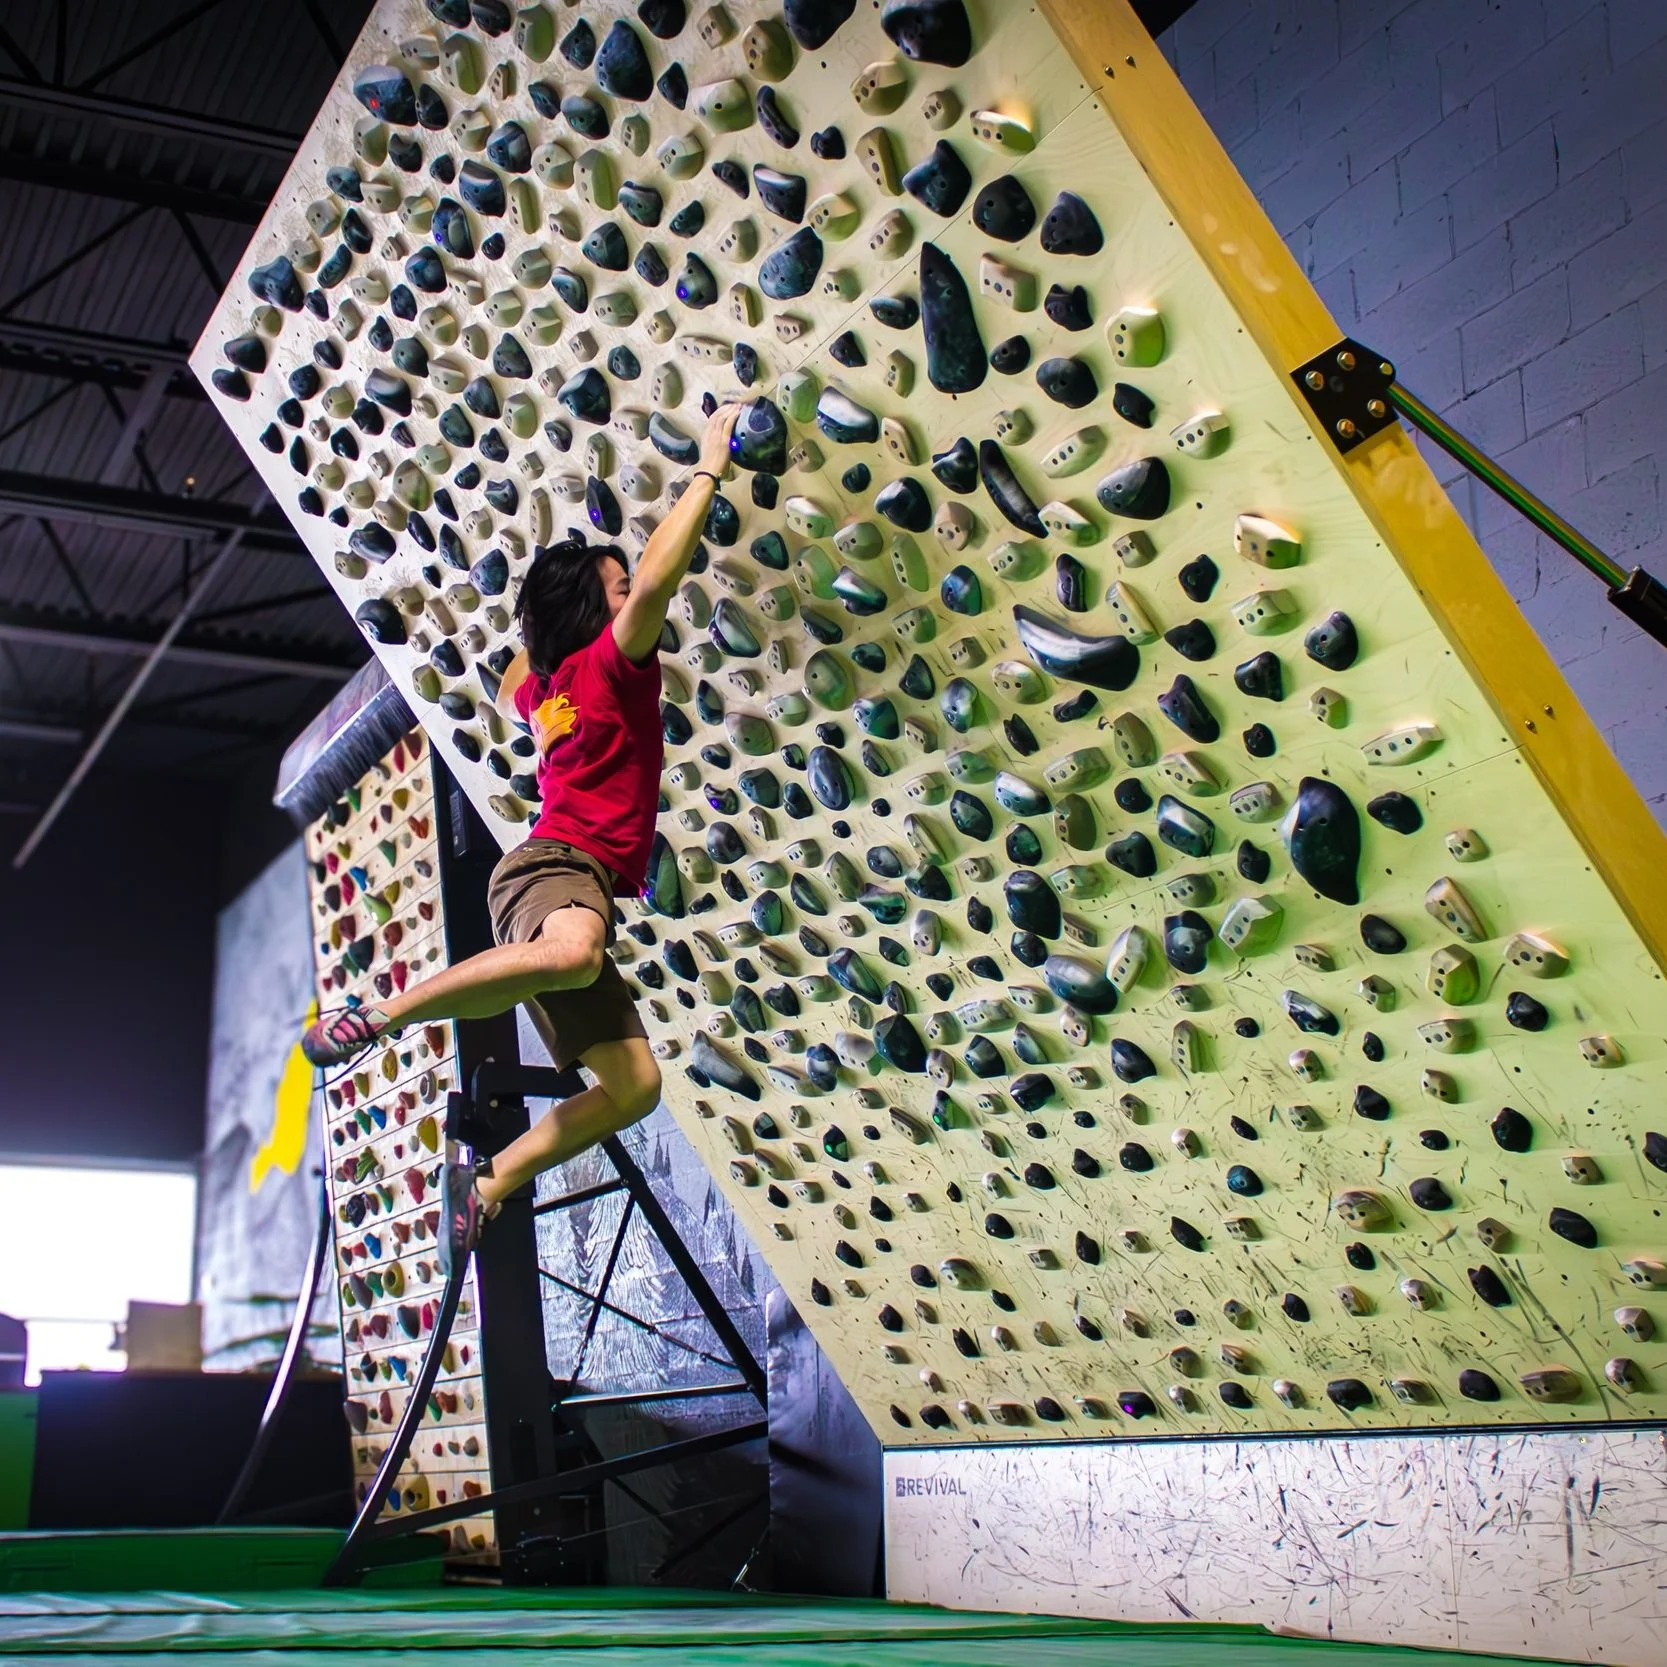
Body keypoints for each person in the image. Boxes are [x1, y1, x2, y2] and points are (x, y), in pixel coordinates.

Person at [303, 402, 742, 1269]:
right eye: (612, 593)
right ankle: (379, 1014)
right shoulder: (609, 667)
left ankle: (490, 1181)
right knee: (576, 950)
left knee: (634, 1088)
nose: (632, 599)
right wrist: (709, 469)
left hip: (547, 877)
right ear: (598, 612)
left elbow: (519, 661)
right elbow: (654, 581)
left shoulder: (545, 692)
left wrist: (555, 602)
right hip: (555, 871)